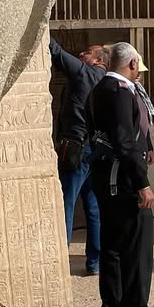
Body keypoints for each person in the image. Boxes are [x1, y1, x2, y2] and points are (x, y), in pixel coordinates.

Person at [89, 42, 154, 307]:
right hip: (120, 174)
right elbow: (125, 142)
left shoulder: (101, 88)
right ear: (133, 64)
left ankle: (112, 305)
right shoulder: (120, 92)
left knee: (112, 242)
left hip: (105, 173)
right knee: (136, 243)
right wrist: (142, 183)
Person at [49, 38, 108, 275]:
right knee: (93, 207)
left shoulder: (86, 74)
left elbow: (57, 52)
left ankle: (62, 257)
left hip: (76, 147)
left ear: (99, 60)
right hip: (95, 148)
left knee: (67, 202)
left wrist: (41, 26)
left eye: (88, 52)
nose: (82, 54)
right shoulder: (107, 80)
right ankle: (94, 262)